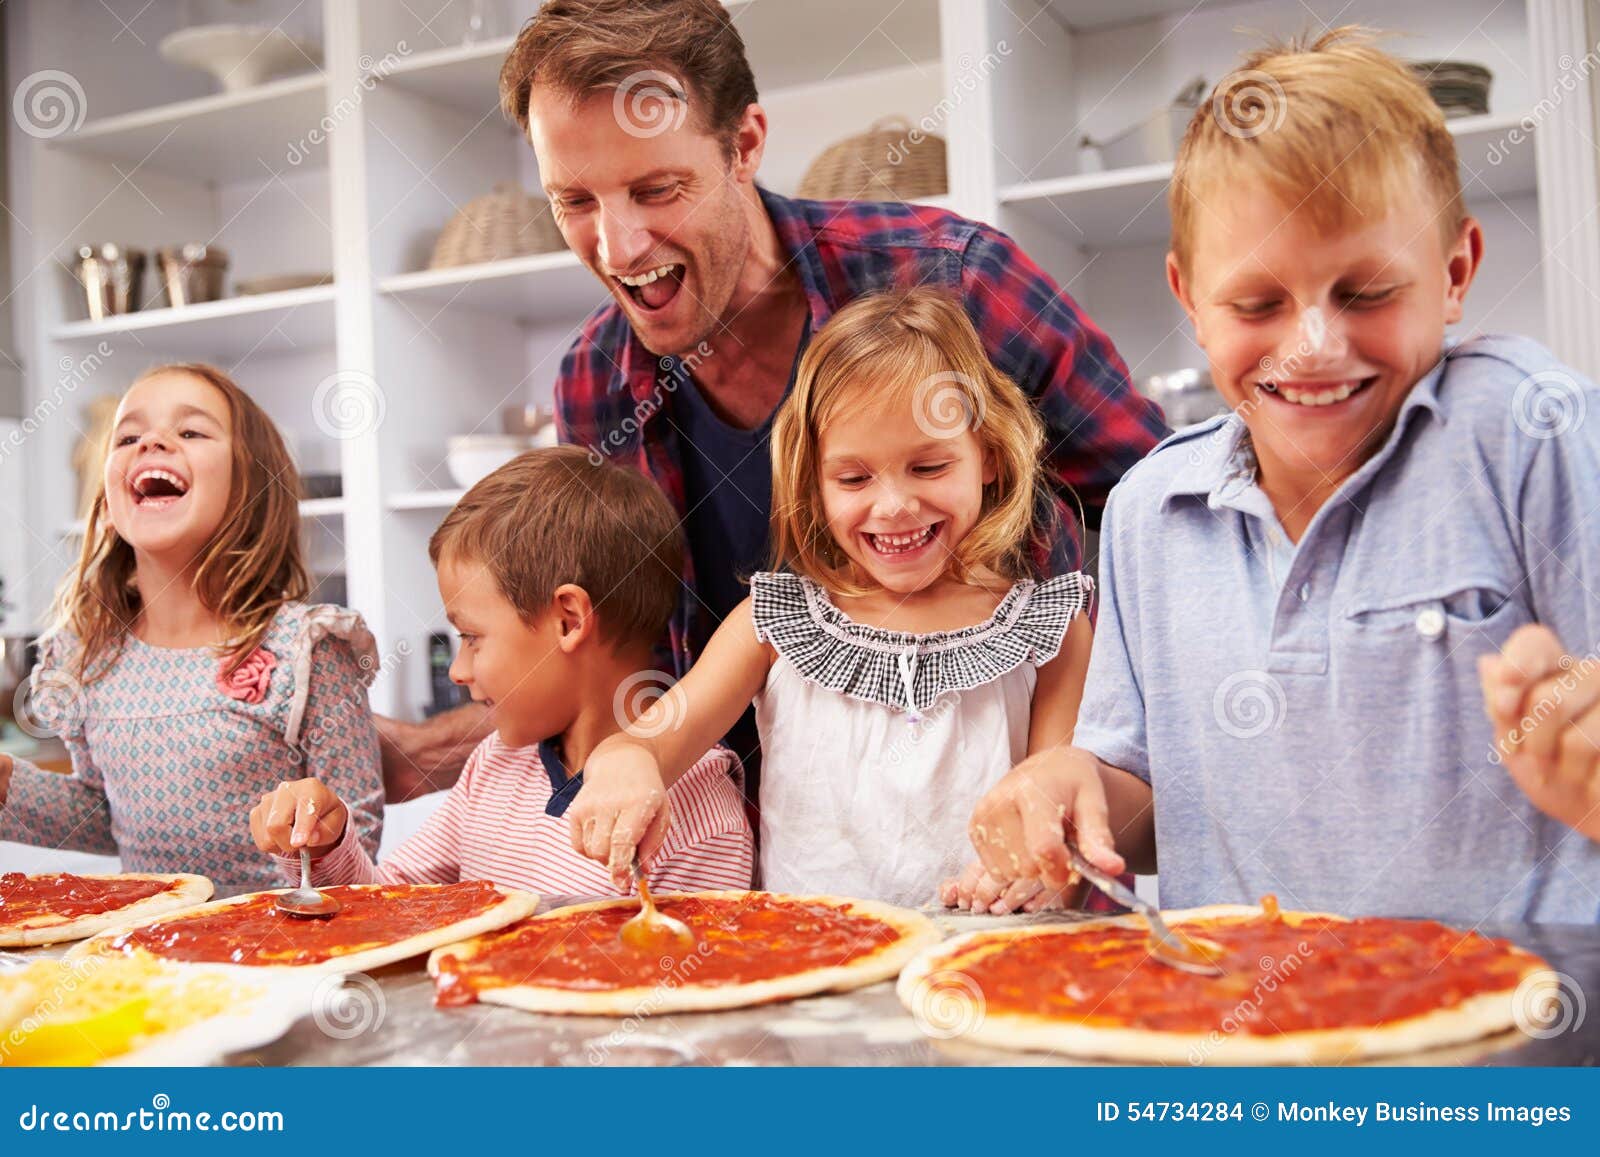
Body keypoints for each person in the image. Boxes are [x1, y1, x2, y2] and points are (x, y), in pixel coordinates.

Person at [375, 0, 1167, 805]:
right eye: (575, 201)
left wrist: (1087, 756)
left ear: (745, 144)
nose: (618, 247)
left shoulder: (954, 281)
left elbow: (1169, 528)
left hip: (1011, 838)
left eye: (656, 189)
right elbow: (609, 665)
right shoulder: (595, 380)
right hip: (744, 851)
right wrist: (427, 754)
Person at [967, 28, 1600, 923]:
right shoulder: (1151, 508)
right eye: (1258, 303)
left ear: (1455, 272)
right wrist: (1077, 788)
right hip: (1239, 1001)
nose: (1312, 346)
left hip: (1519, 1006)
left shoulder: (1531, 432)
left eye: (1367, 292)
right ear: (1190, 300)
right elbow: (1153, 806)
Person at [567, 289, 1095, 910]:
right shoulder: (769, 623)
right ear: (814, 483)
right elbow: (646, 743)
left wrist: (1042, 866)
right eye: (853, 478)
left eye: (929, 467)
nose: (893, 506)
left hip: (990, 955)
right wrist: (626, 761)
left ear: (989, 458)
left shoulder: (1053, 631)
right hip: (811, 955)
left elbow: (1060, 822)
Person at [250, 448, 752, 894]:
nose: (457, 671)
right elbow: (384, 909)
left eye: (471, 637)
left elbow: (685, 966)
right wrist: (322, 846)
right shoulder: (494, 765)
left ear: (568, 621)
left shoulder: (698, 811)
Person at [0, 364, 382, 889]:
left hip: (275, 935)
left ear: (251, 487)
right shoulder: (87, 653)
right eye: (127, 437)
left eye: (191, 431)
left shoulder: (307, 649)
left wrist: (315, 835)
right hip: (148, 937)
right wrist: (7, 786)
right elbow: (106, 815)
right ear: (108, 501)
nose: (151, 442)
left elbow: (358, 838)